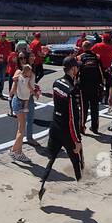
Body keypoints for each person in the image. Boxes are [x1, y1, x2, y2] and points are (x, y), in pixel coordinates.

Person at [38, 57, 84, 200]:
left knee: (52, 158)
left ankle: (42, 184)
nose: (78, 69)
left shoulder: (56, 83)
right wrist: (77, 140)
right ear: (73, 69)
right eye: (77, 67)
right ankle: (82, 185)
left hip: (55, 126)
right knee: (77, 159)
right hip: (66, 130)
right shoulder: (72, 90)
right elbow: (72, 118)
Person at [9, 63, 36, 162]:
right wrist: (35, 91)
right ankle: (13, 150)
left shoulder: (20, 76)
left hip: (19, 101)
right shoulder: (24, 78)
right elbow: (29, 88)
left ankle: (18, 152)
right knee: (22, 129)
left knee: (21, 128)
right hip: (19, 102)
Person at [76, 40, 104, 134]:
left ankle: (82, 127)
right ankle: (95, 127)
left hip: (83, 87)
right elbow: (101, 72)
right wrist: (102, 84)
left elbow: (76, 73)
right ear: (91, 47)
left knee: (84, 108)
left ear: (83, 48)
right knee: (94, 108)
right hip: (95, 86)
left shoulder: (79, 58)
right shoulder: (97, 57)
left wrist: (76, 84)